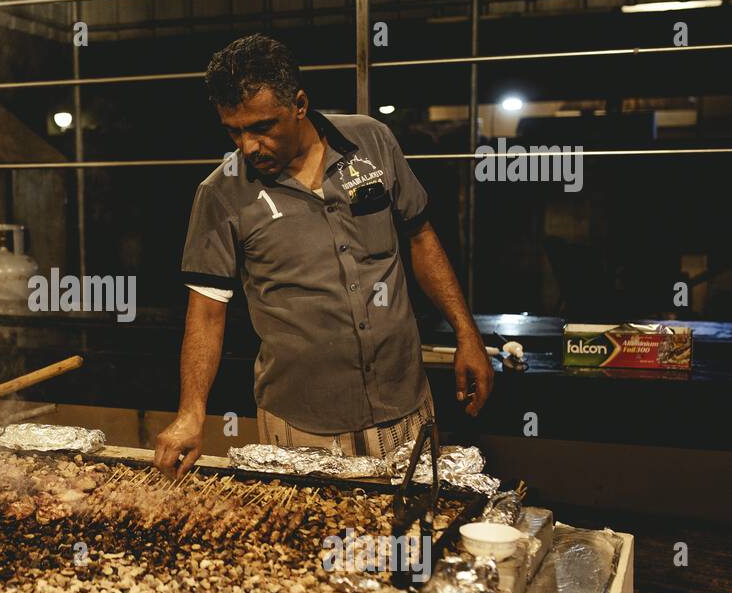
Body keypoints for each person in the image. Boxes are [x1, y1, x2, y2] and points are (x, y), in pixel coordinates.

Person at [154, 34, 492, 478]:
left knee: (407, 541)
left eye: (262, 127)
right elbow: (206, 313)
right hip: (302, 426)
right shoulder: (221, 194)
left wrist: (466, 333)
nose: (248, 147)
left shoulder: (372, 142)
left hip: (403, 405)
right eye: (234, 131)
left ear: (299, 104)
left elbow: (421, 236)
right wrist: (191, 412)